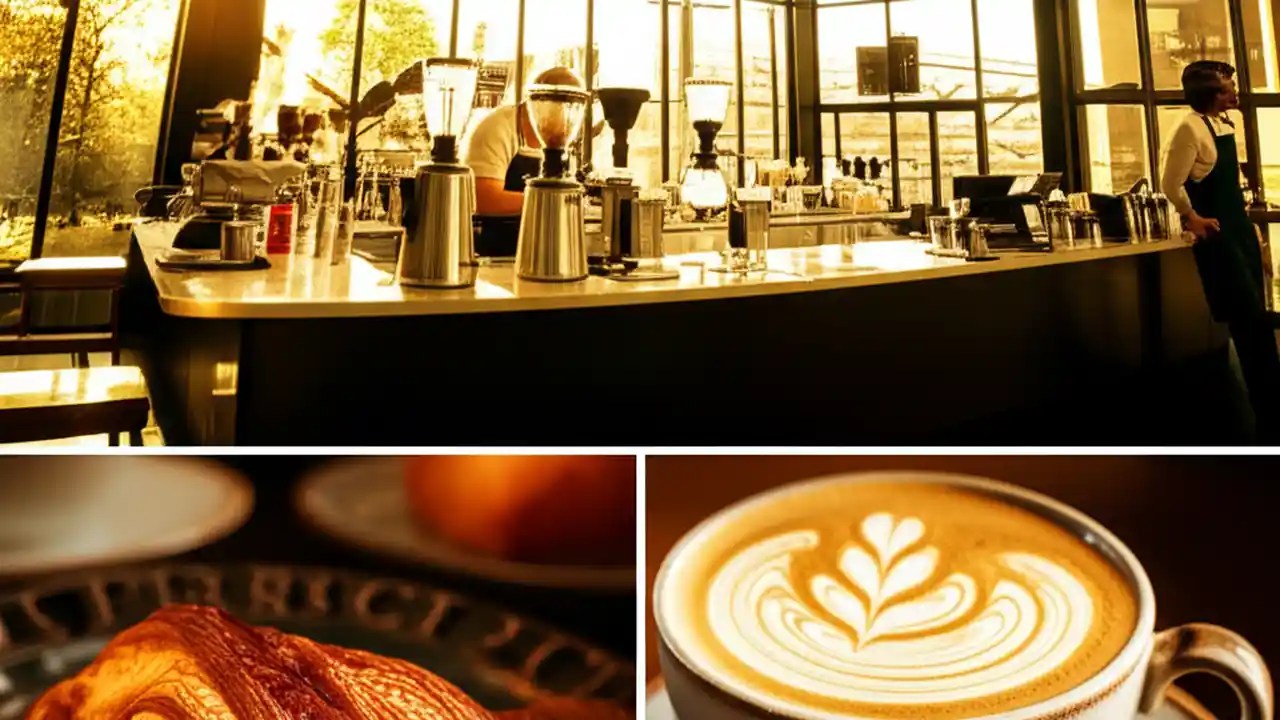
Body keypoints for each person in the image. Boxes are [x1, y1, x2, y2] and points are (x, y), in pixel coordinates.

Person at [1161, 60, 1280, 441]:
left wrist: (1256, 239)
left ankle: (1269, 407)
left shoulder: (1223, 125)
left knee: (1257, 323)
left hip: (1240, 234)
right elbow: (1170, 183)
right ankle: (1265, 416)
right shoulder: (1187, 128)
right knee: (1248, 324)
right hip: (1220, 239)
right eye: (1228, 88)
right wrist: (1192, 217)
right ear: (1210, 95)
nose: (1234, 94)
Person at [464, 66, 598, 257]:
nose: (568, 117)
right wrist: (549, 200)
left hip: (545, 250)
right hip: (494, 253)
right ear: (538, 103)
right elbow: (482, 198)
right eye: (562, 106)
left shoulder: (561, 139)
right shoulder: (498, 128)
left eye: (573, 108)